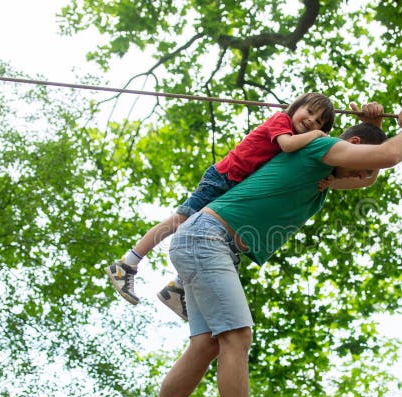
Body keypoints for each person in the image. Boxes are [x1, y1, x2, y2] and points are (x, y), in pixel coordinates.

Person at [129, 103, 402, 397]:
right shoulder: (319, 147)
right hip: (207, 238)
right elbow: (388, 156)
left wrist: (372, 130)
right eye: (362, 167)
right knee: (237, 336)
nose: (364, 177)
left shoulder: (321, 179)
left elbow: (372, 169)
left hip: (204, 241)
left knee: (207, 344)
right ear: (352, 144)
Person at [106, 93, 336, 319]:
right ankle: (127, 264)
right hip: (223, 178)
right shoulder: (281, 121)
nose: (311, 121)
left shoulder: (300, 141)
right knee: (179, 221)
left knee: (210, 235)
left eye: (319, 122)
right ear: (296, 107)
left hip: (235, 188)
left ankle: (176, 288)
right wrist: (317, 134)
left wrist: (329, 180)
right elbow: (286, 145)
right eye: (310, 112)